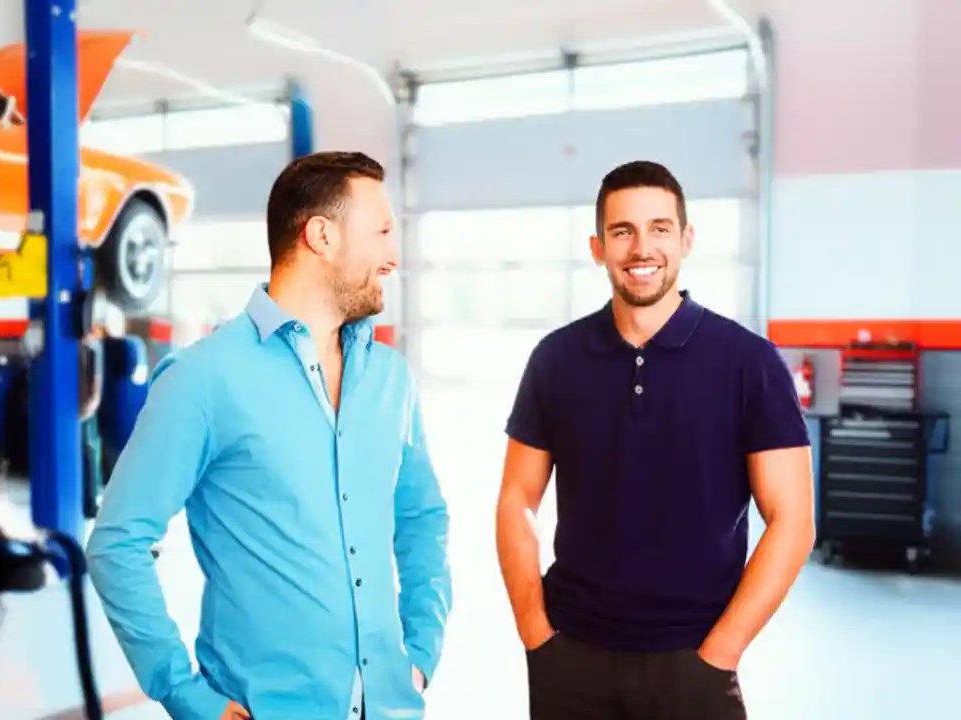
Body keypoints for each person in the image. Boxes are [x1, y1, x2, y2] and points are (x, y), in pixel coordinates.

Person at [87, 151, 452, 720]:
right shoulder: (203, 379)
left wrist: (421, 648)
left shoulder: (390, 378)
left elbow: (422, 517)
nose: (393, 254)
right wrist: (185, 694)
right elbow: (118, 543)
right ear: (322, 236)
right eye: (381, 231)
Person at [495, 160, 814, 719]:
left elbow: (793, 520)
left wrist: (721, 652)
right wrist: (535, 633)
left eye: (660, 228)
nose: (642, 248)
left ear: (686, 239)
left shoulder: (749, 362)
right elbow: (517, 499)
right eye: (623, 231)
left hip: (694, 661)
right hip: (570, 657)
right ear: (598, 247)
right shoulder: (556, 360)